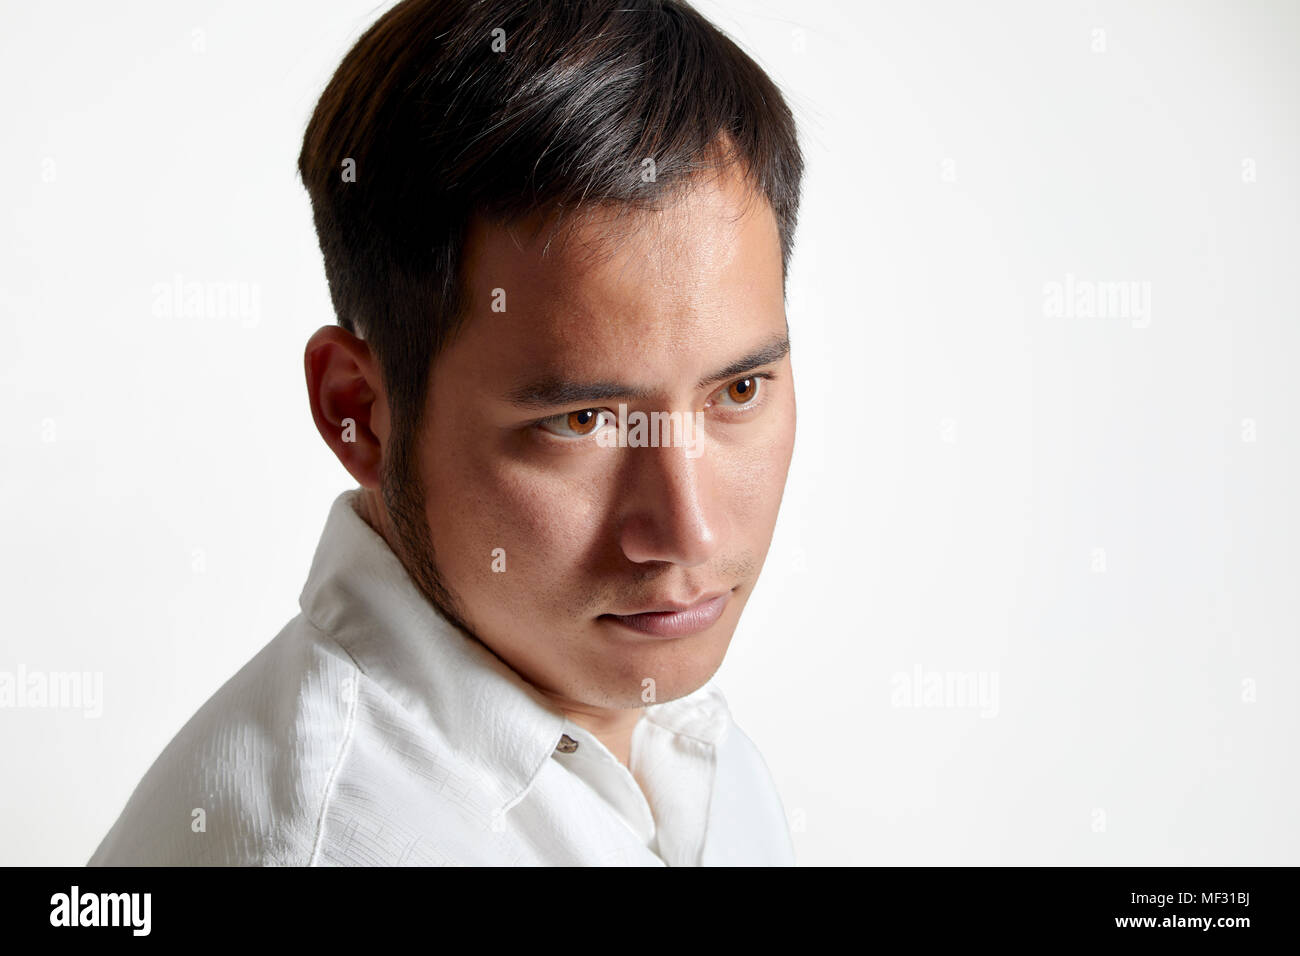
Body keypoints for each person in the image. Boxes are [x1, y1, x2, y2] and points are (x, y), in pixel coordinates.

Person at [89, 0, 805, 866]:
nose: (690, 533)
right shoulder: (338, 843)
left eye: (738, 390)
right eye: (580, 421)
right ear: (359, 411)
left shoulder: (670, 732)